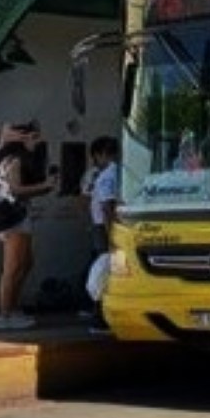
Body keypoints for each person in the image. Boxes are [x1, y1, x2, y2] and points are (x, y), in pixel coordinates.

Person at [0, 121, 58, 331]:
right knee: (13, 267)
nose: (37, 142)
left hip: (18, 215)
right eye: (34, 137)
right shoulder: (14, 159)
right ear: (23, 138)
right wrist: (44, 186)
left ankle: (12, 308)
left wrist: (44, 188)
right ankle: (5, 314)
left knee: (25, 263)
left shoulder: (12, 157)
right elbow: (16, 190)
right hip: (13, 218)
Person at [84, 136, 120, 334]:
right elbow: (108, 207)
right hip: (105, 228)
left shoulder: (107, 174)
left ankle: (100, 316)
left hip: (103, 227)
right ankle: (100, 318)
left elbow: (106, 207)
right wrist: (113, 233)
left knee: (103, 271)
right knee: (106, 272)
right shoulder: (110, 175)